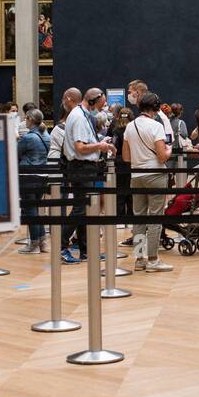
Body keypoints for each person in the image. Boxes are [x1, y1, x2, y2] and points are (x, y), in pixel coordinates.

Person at [60, 87, 113, 265]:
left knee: (86, 209)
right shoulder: (79, 117)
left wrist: (99, 142)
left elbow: (85, 142)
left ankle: (85, 250)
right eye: (101, 104)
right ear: (92, 101)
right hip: (81, 167)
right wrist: (100, 146)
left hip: (85, 167)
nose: (102, 108)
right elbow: (80, 148)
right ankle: (61, 246)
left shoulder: (82, 115)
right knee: (80, 209)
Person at [123, 91, 173, 272]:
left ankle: (139, 259)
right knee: (155, 218)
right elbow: (162, 156)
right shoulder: (156, 126)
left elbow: (126, 156)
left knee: (139, 218)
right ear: (156, 107)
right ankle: (153, 260)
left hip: (136, 176)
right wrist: (169, 150)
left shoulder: (130, 126)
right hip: (155, 175)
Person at [17, 109, 49, 254]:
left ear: (30, 119)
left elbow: (17, 153)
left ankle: (34, 243)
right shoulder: (46, 135)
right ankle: (42, 241)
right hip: (42, 176)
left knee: (30, 210)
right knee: (35, 209)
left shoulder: (28, 137)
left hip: (28, 176)